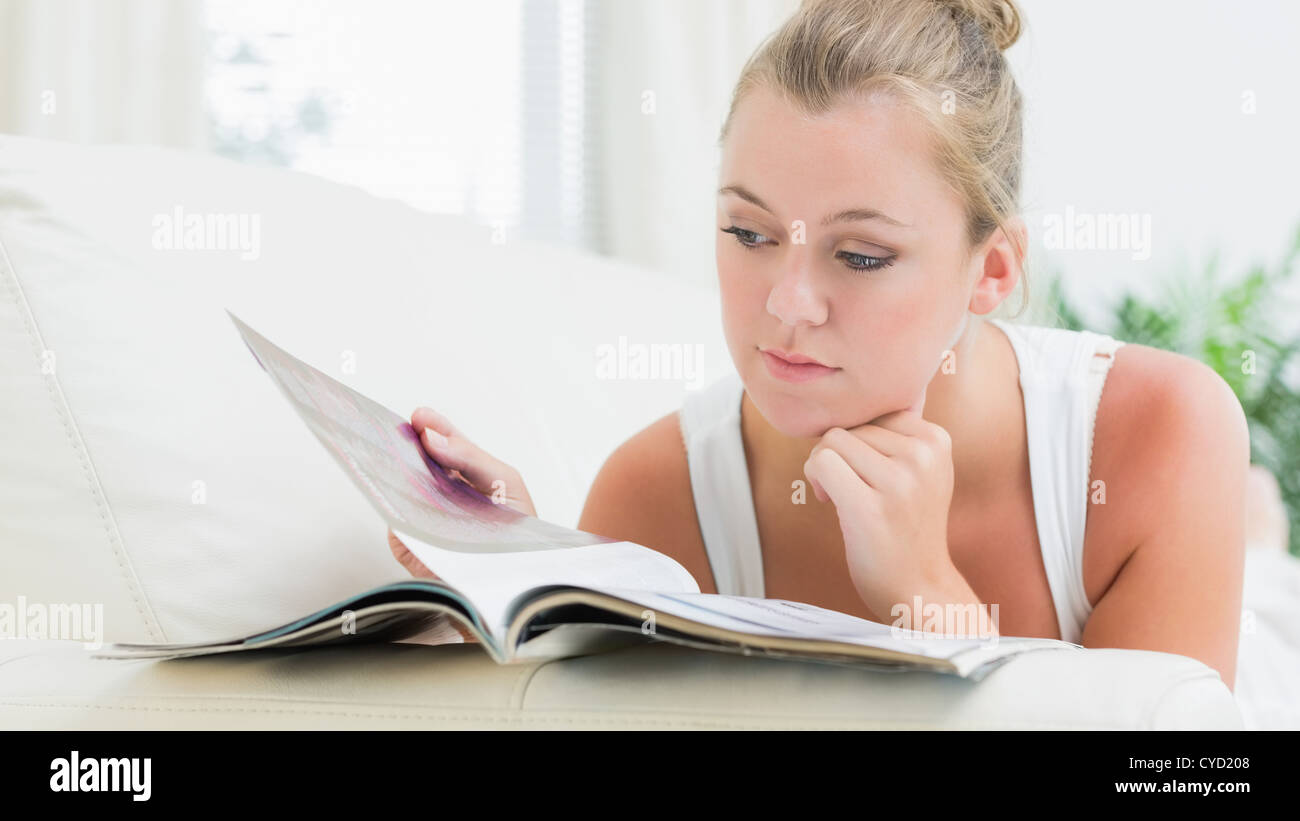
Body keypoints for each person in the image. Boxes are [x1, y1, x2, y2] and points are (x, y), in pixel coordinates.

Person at [390, 0, 1249, 690]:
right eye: (749, 232)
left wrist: (931, 598)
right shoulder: (656, 496)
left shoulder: (1160, 434)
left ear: (992, 269)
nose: (788, 305)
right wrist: (533, 585)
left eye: (860, 255)